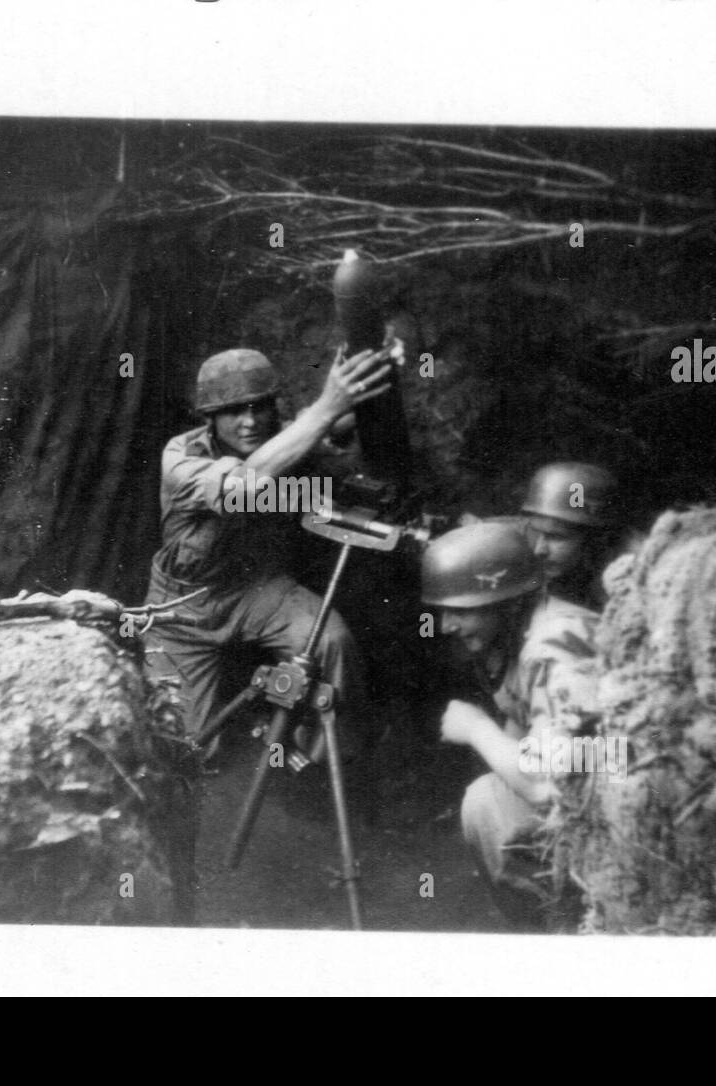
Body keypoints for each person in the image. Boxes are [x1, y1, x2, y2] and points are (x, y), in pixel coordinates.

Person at [142, 344, 393, 755]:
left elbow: (331, 428)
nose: (250, 421)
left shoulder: (282, 436)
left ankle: (325, 762)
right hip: (181, 606)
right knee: (183, 743)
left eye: (260, 407)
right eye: (235, 410)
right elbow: (246, 481)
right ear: (209, 417)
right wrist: (327, 406)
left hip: (257, 588)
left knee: (331, 642)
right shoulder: (180, 458)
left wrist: (369, 379)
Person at [422, 522, 602, 896]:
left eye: (461, 611)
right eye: (442, 611)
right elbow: (521, 740)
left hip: (618, 798)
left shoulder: (555, 646)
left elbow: (547, 782)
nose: (446, 625)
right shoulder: (517, 635)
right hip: (595, 788)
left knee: (486, 803)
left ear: (509, 601)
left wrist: (475, 729)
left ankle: (567, 926)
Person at [520, 461, 621, 611]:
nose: (539, 550)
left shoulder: (627, 583)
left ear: (596, 538)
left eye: (556, 537)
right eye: (536, 532)